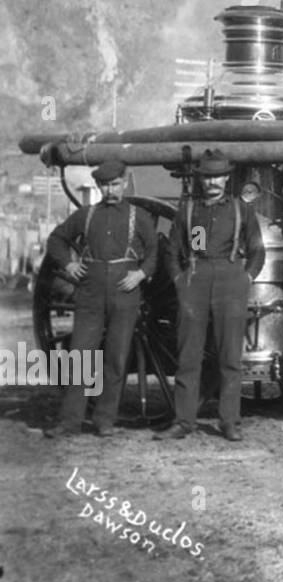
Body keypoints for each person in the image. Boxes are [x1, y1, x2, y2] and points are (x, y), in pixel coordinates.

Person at [43, 158, 157, 438]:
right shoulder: (86, 215)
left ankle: (104, 420)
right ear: (98, 186)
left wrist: (141, 274)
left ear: (125, 182)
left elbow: (155, 251)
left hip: (125, 292)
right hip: (90, 293)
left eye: (115, 184)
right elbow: (56, 240)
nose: (110, 190)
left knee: (116, 358)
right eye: (104, 185)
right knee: (80, 355)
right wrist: (69, 264)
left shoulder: (138, 216)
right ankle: (69, 421)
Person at [157, 149, 264, 442]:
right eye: (207, 177)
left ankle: (229, 421)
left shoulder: (242, 210)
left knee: (229, 356)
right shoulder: (191, 211)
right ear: (201, 180)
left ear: (227, 178)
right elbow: (174, 251)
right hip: (195, 280)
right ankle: (184, 421)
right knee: (188, 355)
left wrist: (246, 278)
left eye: (218, 176)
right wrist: (180, 280)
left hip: (231, 282)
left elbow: (257, 250)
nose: (212, 182)